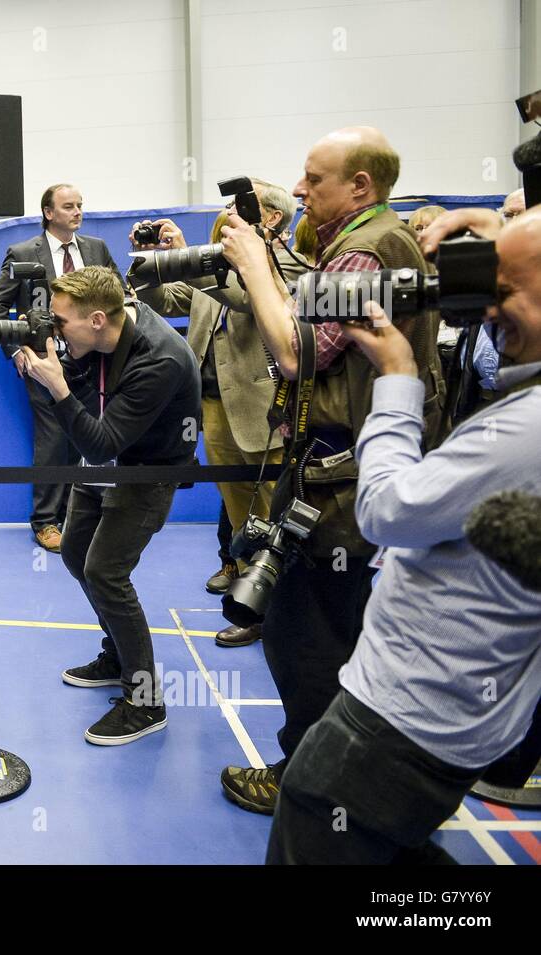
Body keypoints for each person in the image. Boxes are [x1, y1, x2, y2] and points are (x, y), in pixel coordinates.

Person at [267, 206, 541, 864]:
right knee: (389, 847)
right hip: (455, 716)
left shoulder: (528, 432)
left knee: (316, 834)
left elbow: (387, 509)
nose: (485, 309)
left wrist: (396, 377)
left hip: (401, 722)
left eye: (503, 291)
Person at [214, 126, 445, 813]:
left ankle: (309, 782)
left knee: (305, 633)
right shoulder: (361, 244)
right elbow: (310, 316)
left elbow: (295, 349)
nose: (302, 190)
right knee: (328, 630)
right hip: (342, 468)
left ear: (361, 186)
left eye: (315, 180)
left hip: (341, 479)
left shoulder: (371, 249)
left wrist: (256, 260)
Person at [19, 267, 200, 744]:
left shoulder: (160, 360)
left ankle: (145, 703)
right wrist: (50, 361)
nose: (55, 330)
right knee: (77, 556)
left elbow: (101, 441)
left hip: (144, 473)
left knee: (105, 572)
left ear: (97, 319)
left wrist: (55, 385)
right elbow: (90, 407)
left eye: (61, 323)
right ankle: (119, 654)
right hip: (101, 466)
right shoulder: (100, 338)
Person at [128, 180, 304, 647]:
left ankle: (283, 606)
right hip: (213, 404)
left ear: (270, 218)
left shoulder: (281, 262)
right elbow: (166, 301)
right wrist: (151, 264)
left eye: (239, 205)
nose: (227, 209)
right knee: (239, 505)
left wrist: (196, 259)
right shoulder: (218, 262)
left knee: (271, 506)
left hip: (262, 405)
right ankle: (251, 595)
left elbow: (244, 297)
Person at [0, 184, 124, 553]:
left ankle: (81, 517)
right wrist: (17, 352)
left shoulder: (97, 250)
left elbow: (120, 299)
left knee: (89, 437)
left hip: (93, 361)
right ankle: (46, 521)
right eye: (68, 206)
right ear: (49, 212)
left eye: (80, 205)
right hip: (44, 360)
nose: (77, 211)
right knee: (52, 440)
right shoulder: (21, 253)